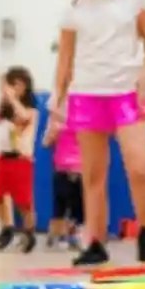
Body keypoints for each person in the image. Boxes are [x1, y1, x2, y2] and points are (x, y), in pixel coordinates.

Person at [51, 0, 145, 266]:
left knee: (140, 167)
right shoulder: (73, 7)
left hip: (126, 94)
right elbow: (65, 62)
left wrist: (144, 79)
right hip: (87, 95)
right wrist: (58, 102)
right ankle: (95, 242)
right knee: (93, 175)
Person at [0, 67, 38, 252]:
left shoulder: (31, 111)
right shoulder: (5, 109)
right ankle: (7, 227)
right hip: (4, 158)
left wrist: (13, 98)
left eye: (17, 84)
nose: (11, 88)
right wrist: (5, 95)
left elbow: (24, 117)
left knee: (24, 202)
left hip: (21, 159)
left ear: (24, 86)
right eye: (10, 84)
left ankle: (29, 232)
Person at [42, 106, 84, 251]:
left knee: (78, 206)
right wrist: (53, 131)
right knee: (60, 203)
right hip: (62, 167)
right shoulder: (56, 121)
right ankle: (56, 233)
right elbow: (46, 143)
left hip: (80, 167)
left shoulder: (83, 119)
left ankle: (74, 234)